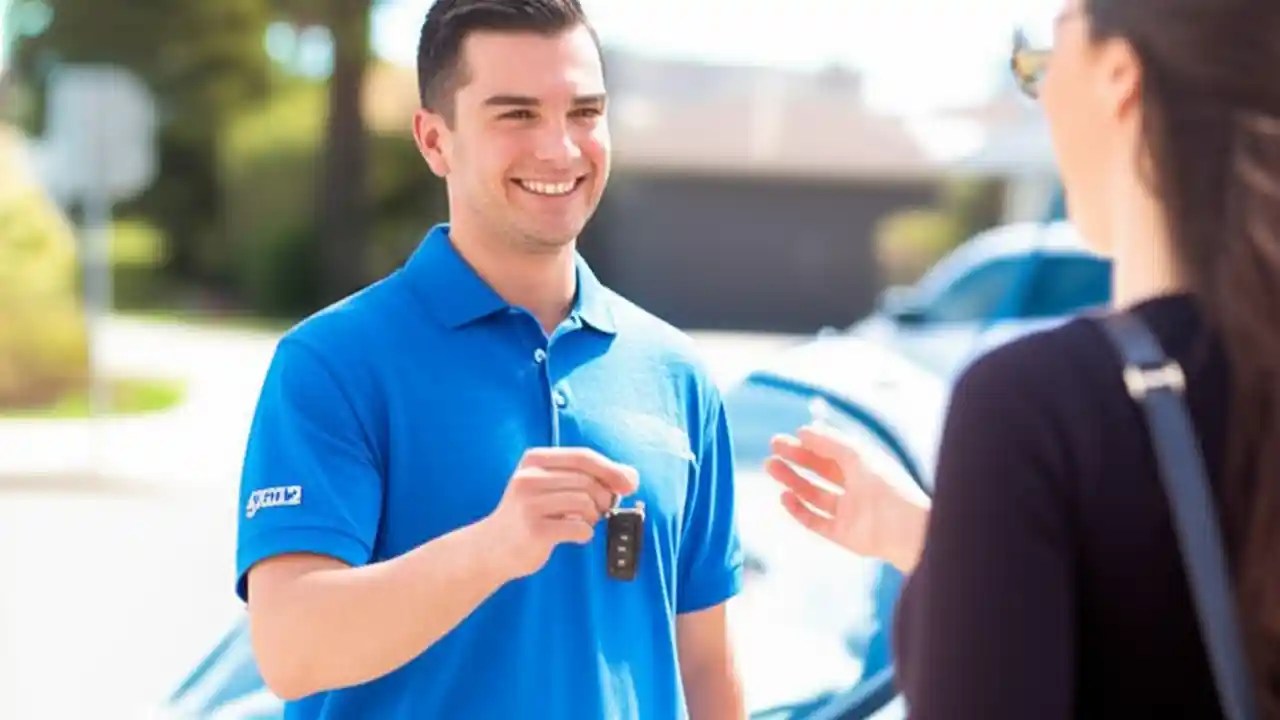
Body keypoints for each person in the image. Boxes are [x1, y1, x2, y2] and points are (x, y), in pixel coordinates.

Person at [766, 0, 1280, 716]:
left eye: (1042, 56)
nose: (1037, 94)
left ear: (1118, 76)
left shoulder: (1040, 406)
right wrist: (940, 539)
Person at [233, 1, 746, 718]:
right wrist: (493, 549)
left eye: (585, 112)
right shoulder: (332, 363)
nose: (562, 149)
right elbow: (291, 649)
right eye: (517, 115)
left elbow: (705, 666)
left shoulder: (676, 375)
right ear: (434, 140)